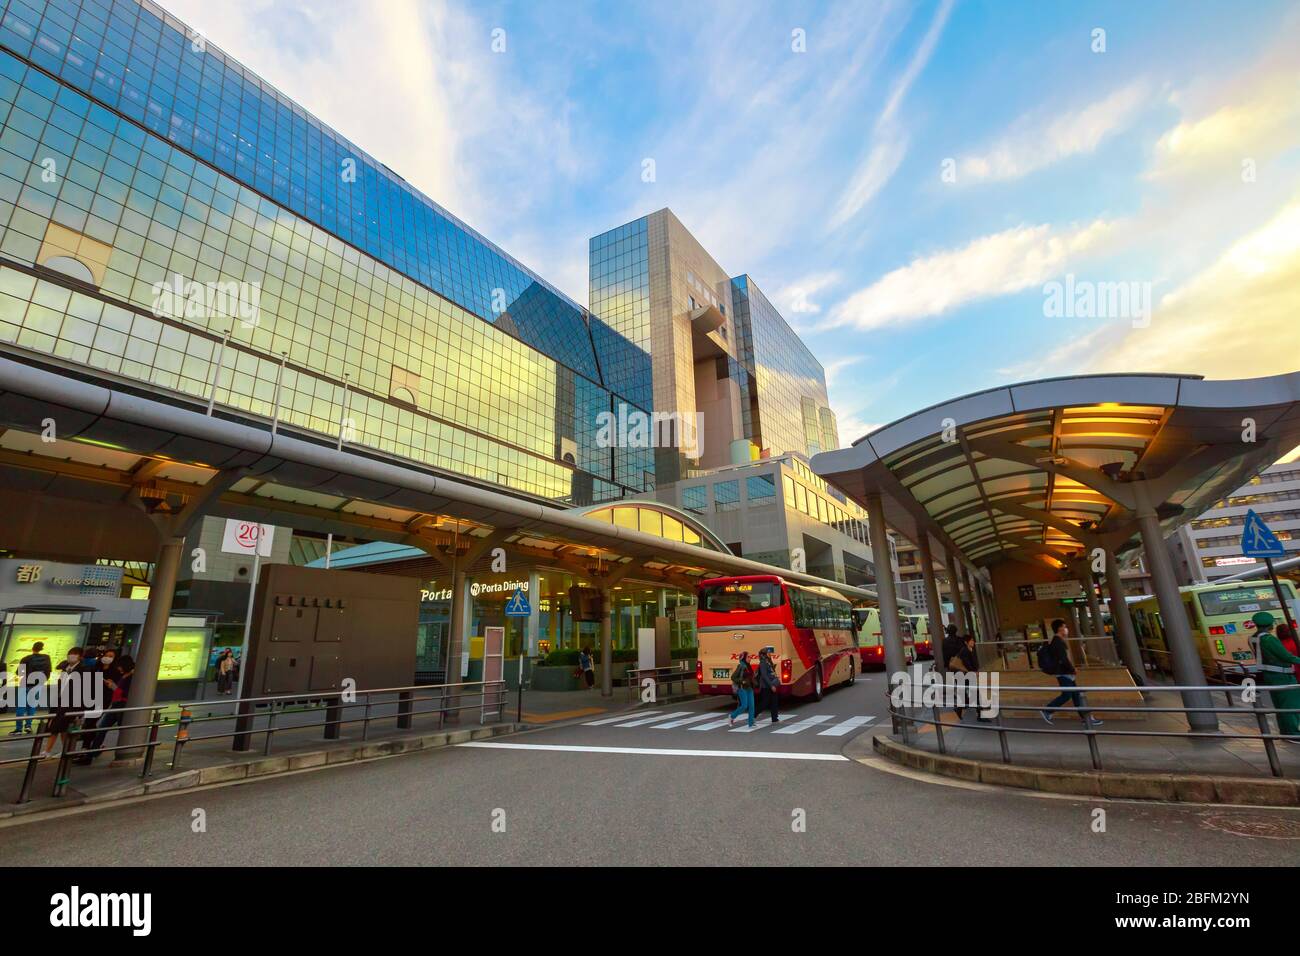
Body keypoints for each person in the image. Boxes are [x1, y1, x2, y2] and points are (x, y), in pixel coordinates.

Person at [1039, 619, 1102, 727]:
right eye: (1064, 626)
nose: (1066, 629)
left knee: (1076, 695)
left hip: (1065, 672)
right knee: (1067, 695)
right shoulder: (1057, 642)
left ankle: (1085, 718)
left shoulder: (1057, 641)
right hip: (1064, 673)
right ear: (1059, 628)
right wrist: (1072, 669)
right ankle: (1047, 710)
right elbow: (1063, 659)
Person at [1249, 612, 1300, 743]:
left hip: (1269, 675)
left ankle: (1285, 732)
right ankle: (1293, 733)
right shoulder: (1269, 639)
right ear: (1270, 624)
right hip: (1282, 674)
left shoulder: (1253, 638)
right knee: (1290, 705)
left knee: (1280, 705)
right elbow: (1286, 656)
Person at [75, 654, 134, 764]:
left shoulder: (131, 677)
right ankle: (91, 754)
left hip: (122, 705)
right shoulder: (124, 675)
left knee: (122, 730)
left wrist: (112, 686)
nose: (118, 668)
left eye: (120, 666)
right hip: (116, 704)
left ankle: (126, 751)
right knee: (101, 728)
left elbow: (125, 693)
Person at [39, 646, 93, 759]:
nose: (71, 656)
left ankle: (47, 751)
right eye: (70, 653)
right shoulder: (65, 669)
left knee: (56, 726)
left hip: (72, 703)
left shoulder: (84, 669)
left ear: (80, 657)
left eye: (75, 654)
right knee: (62, 728)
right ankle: (67, 751)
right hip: (61, 701)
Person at [11, 641, 51, 735]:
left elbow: (19, 673)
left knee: (21, 706)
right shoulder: (46, 658)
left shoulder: (26, 658)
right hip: (38, 685)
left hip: (25, 684)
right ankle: (28, 726)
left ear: (32, 648)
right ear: (42, 649)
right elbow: (48, 671)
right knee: (32, 706)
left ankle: (18, 729)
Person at [949, 633, 980, 720]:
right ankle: (980, 714)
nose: (973, 642)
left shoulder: (967, 649)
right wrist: (973, 672)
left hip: (965, 675)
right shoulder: (965, 651)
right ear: (966, 642)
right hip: (966, 675)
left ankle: (959, 709)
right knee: (975, 693)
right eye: (971, 640)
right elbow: (967, 663)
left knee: (972, 693)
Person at [728, 651, 756, 728]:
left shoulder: (748, 666)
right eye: (748, 657)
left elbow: (750, 677)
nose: (750, 658)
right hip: (742, 688)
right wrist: (742, 681)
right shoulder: (741, 666)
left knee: (752, 706)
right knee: (744, 706)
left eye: (750, 657)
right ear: (744, 658)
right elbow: (733, 677)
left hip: (749, 688)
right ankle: (732, 716)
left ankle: (751, 723)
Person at [755, 647, 780, 724]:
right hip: (766, 686)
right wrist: (771, 685)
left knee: (774, 701)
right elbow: (764, 675)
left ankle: (774, 718)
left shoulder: (768, 661)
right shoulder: (763, 663)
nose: (770, 654)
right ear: (765, 654)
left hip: (771, 684)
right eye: (768, 653)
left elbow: (771, 672)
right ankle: (753, 715)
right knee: (765, 702)